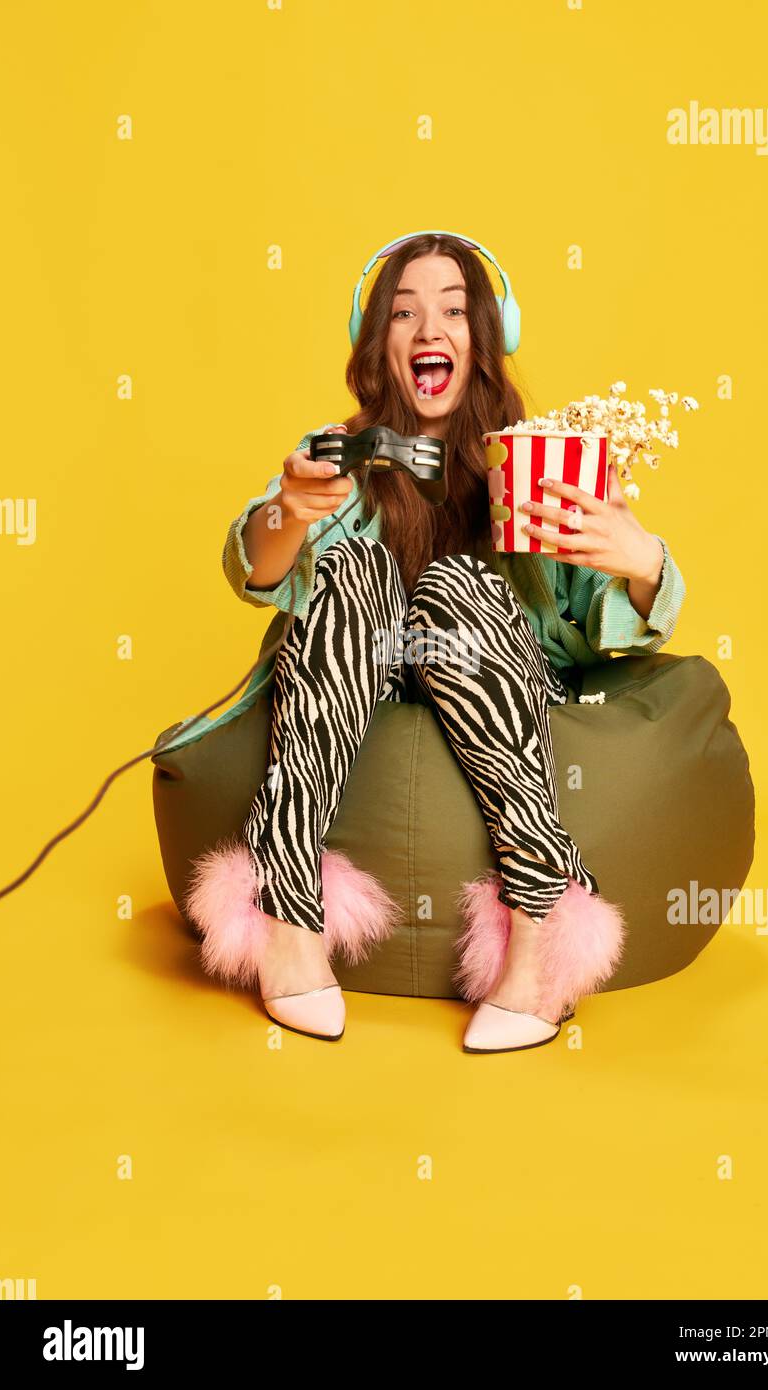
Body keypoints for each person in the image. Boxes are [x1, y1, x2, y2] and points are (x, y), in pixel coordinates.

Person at [186, 232, 685, 1054]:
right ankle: (287, 903)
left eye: (453, 311)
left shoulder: (543, 458)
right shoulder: (341, 456)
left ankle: (536, 923)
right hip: (360, 680)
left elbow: (615, 617)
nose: (429, 330)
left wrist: (641, 560)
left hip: (498, 686)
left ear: (485, 337)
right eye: (404, 313)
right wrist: (288, 507)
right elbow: (257, 563)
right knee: (351, 565)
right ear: (377, 340)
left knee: (456, 586)